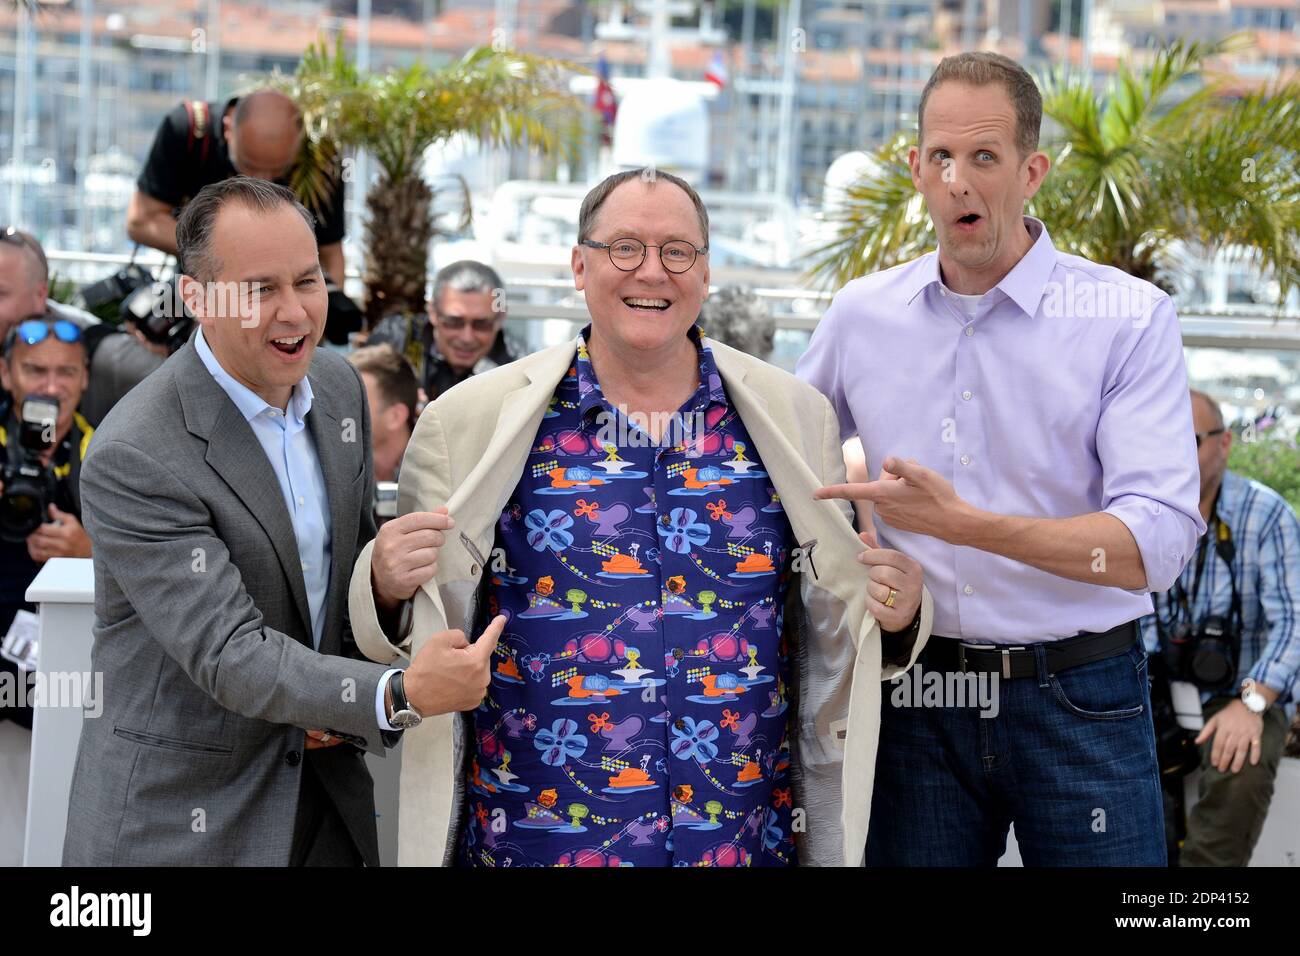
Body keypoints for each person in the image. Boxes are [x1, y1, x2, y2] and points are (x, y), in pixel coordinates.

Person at [347, 168, 932, 867]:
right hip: (535, 841)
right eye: (624, 247)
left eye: (677, 251)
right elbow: (411, 627)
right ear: (579, 264)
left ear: (705, 272)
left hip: (739, 842)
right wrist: (380, 585)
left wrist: (898, 617)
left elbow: (834, 617)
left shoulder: (794, 416)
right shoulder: (469, 422)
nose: (651, 271)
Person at [798, 51, 1205, 866]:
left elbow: (1155, 546)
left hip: (1081, 697)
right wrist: (856, 560)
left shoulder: (1127, 319)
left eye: (984, 157)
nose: (959, 181)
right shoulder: (860, 315)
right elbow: (784, 473)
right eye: (941, 157)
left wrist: (965, 527)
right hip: (915, 696)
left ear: (1032, 171)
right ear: (914, 167)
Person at [62, 177, 501, 866]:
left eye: (309, 280)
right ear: (196, 299)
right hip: (181, 825)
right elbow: (230, 654)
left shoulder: (338, 388)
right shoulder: (135, 453)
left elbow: (338, 581)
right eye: (261, 290)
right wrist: (400, 693)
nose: (295, 312)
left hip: (327, 811)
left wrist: (380, 582)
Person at [1142, 390, 1300, 866]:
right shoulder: (1145, 512)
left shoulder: (1265, 513)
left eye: (1189, 439)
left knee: (1241, 763)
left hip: (1243, 687)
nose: (1176, 455)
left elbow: (1293, 623)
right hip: (1157, 683)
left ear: (1225, 443)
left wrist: (1251, 703)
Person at [127, 89, 347, 287]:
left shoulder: (320, 159)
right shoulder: (189, 130)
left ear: (298, 145)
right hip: (200, 289)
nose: (262, 181)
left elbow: (330, 254)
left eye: (278, 171)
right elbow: (141, 222)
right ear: (228, 129)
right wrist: (227, 253)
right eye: (249, 166)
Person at [0, 316, 95, 733]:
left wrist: (90, 551)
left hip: (66, 677)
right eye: (35, 369)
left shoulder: (109, 452)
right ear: (6, 373)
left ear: (85, 378)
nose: (51, 388)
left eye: (66, 372)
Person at [0, 226, 166, 425]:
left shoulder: (107, 356)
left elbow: (189, 392)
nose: (51, 387)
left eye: (1, 293)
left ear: (40, 295)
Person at [367, 259, 515, 402]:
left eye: (481, 325)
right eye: (453, 322)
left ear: (501, 318)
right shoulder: (395, 339)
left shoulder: (518, 365)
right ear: (432, 312)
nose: (467, 338)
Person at [348, 344, 418, 484]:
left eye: (355, 401)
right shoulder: (337, 469)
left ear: (395, 416)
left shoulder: (431, 472)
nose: (339, 410)